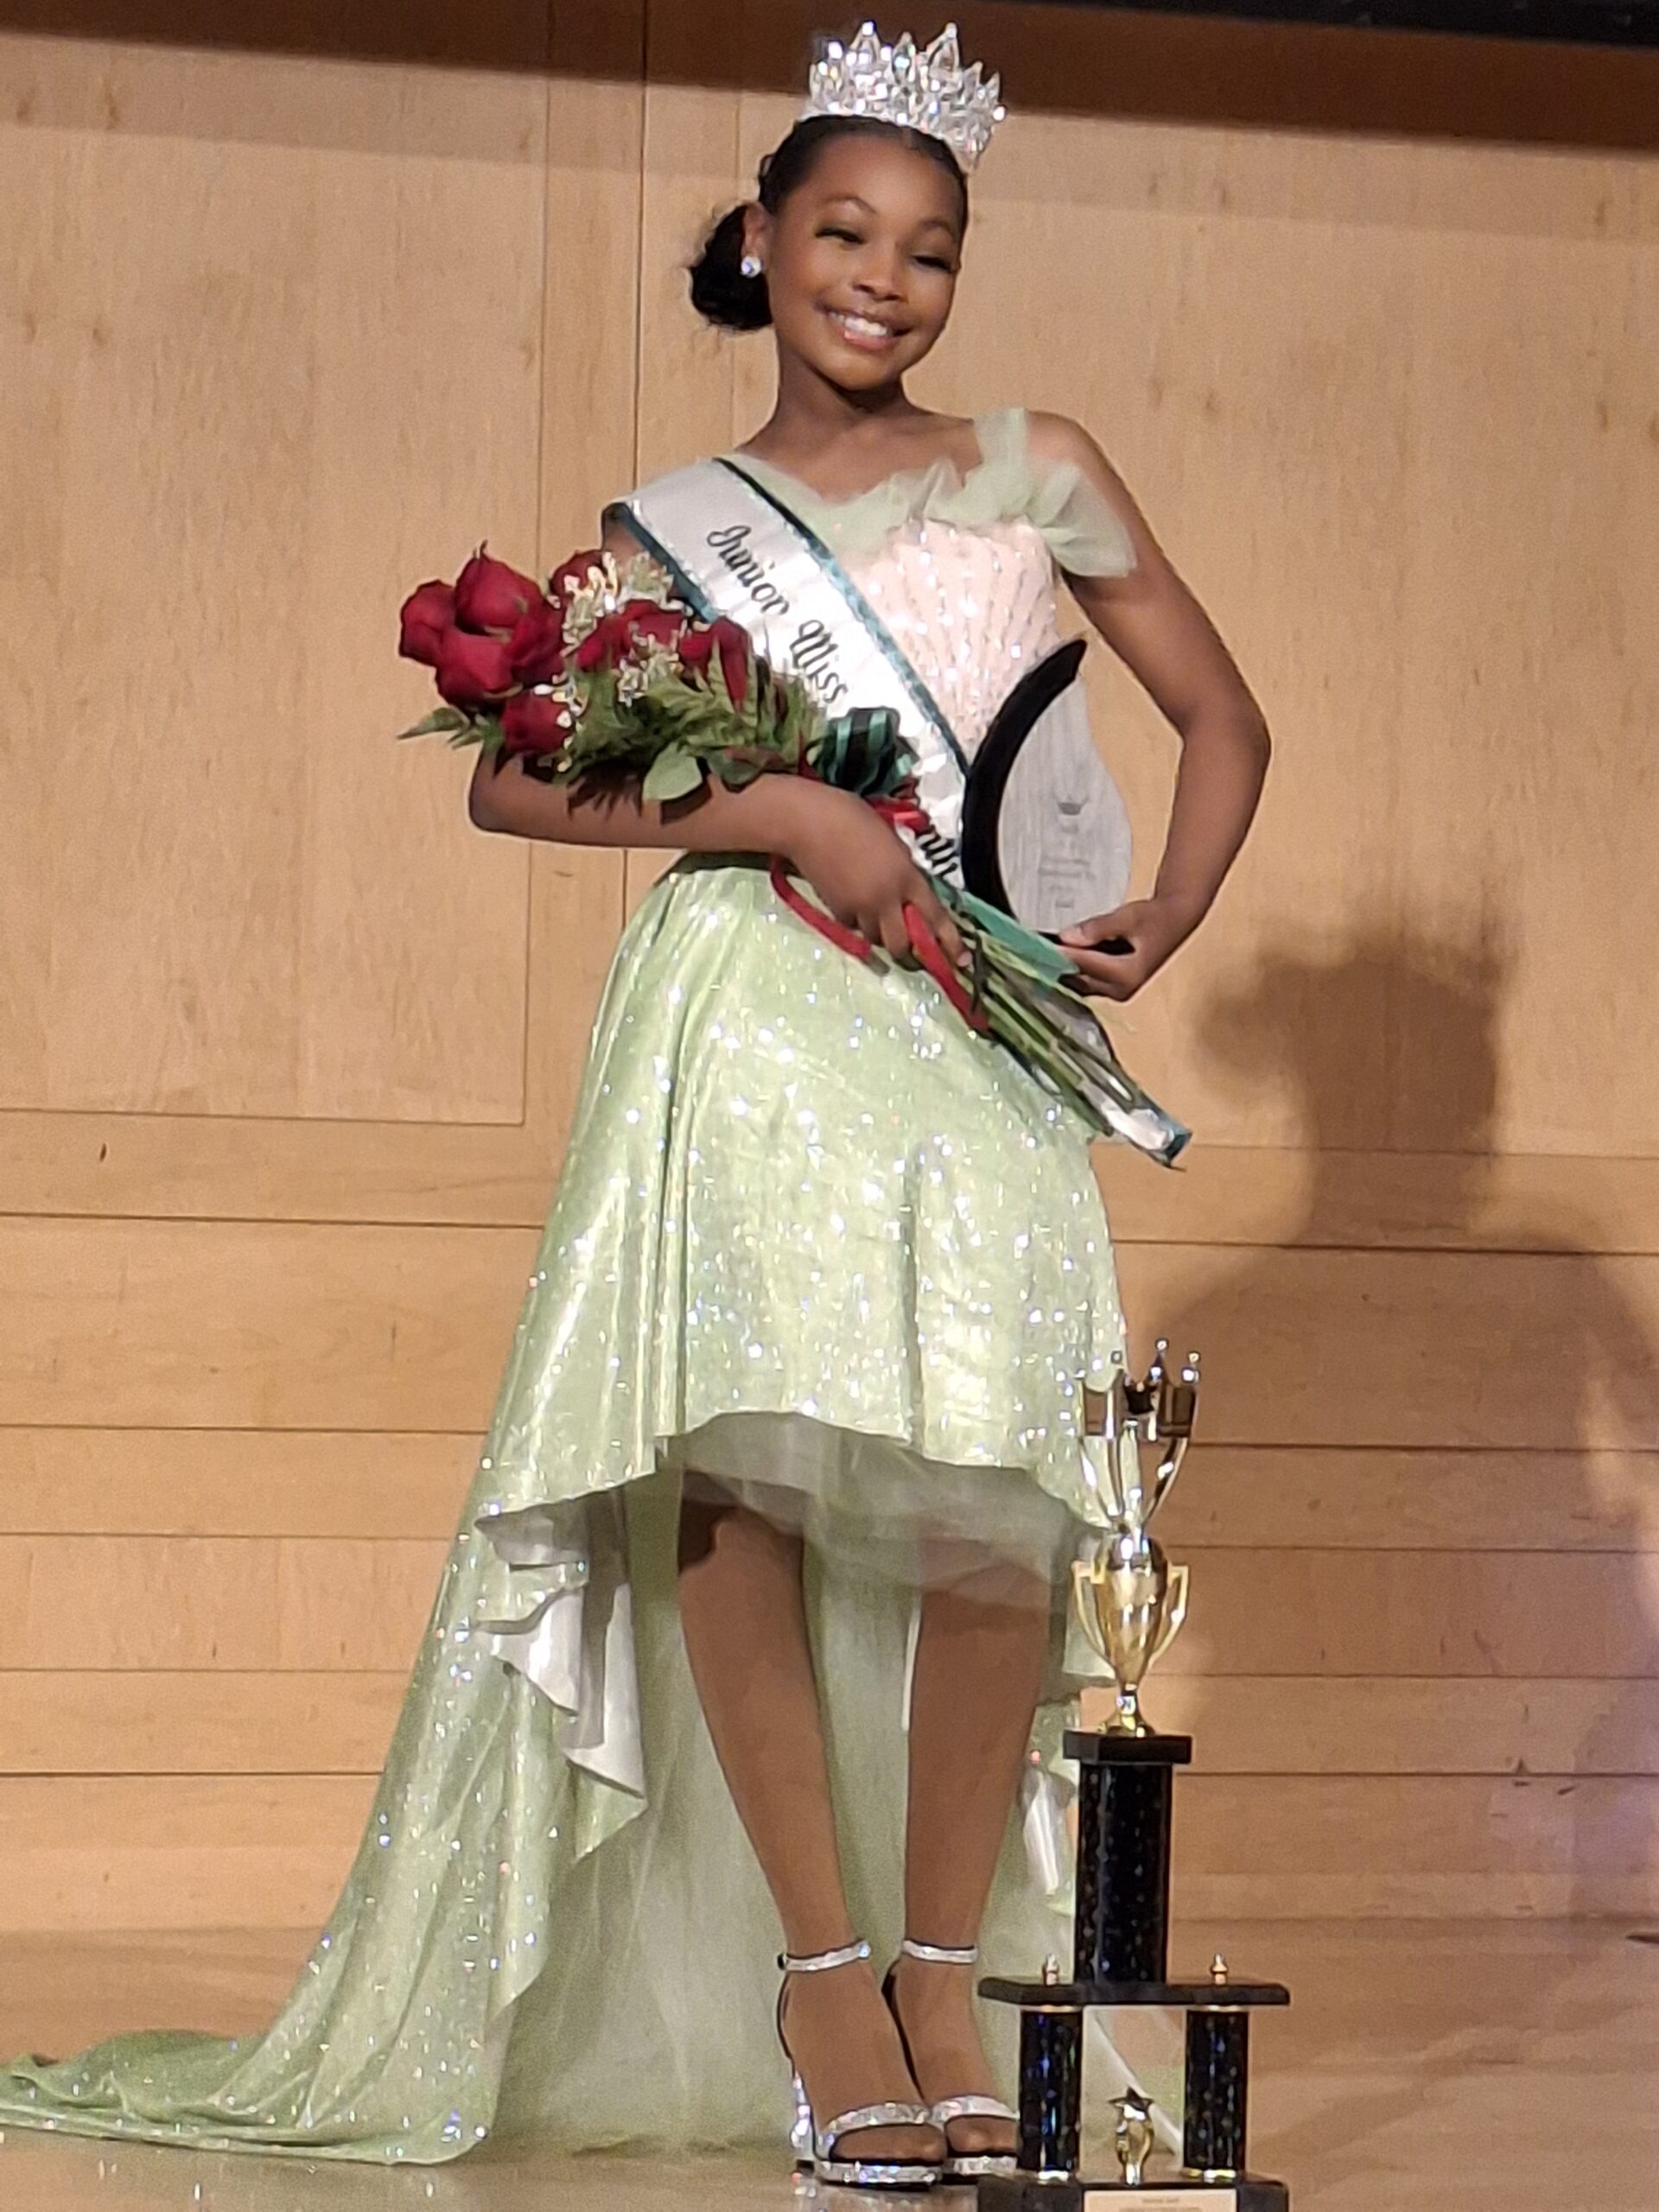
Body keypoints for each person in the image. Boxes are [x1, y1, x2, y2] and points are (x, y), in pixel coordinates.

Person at [0, 21, 1268, 2190]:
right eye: (846, 231)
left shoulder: (1041, 463)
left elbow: (1225, 716)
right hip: (755, 1020)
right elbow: (515, 772)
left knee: (999, 1499)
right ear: (761, 240)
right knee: (744, 1478)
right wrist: (782, 807)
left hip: (971, 1019)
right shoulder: (672, 528)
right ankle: (821, 1983)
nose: (886, 279)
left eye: (931, 249)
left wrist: (1158, 910)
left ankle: (950, 1971)